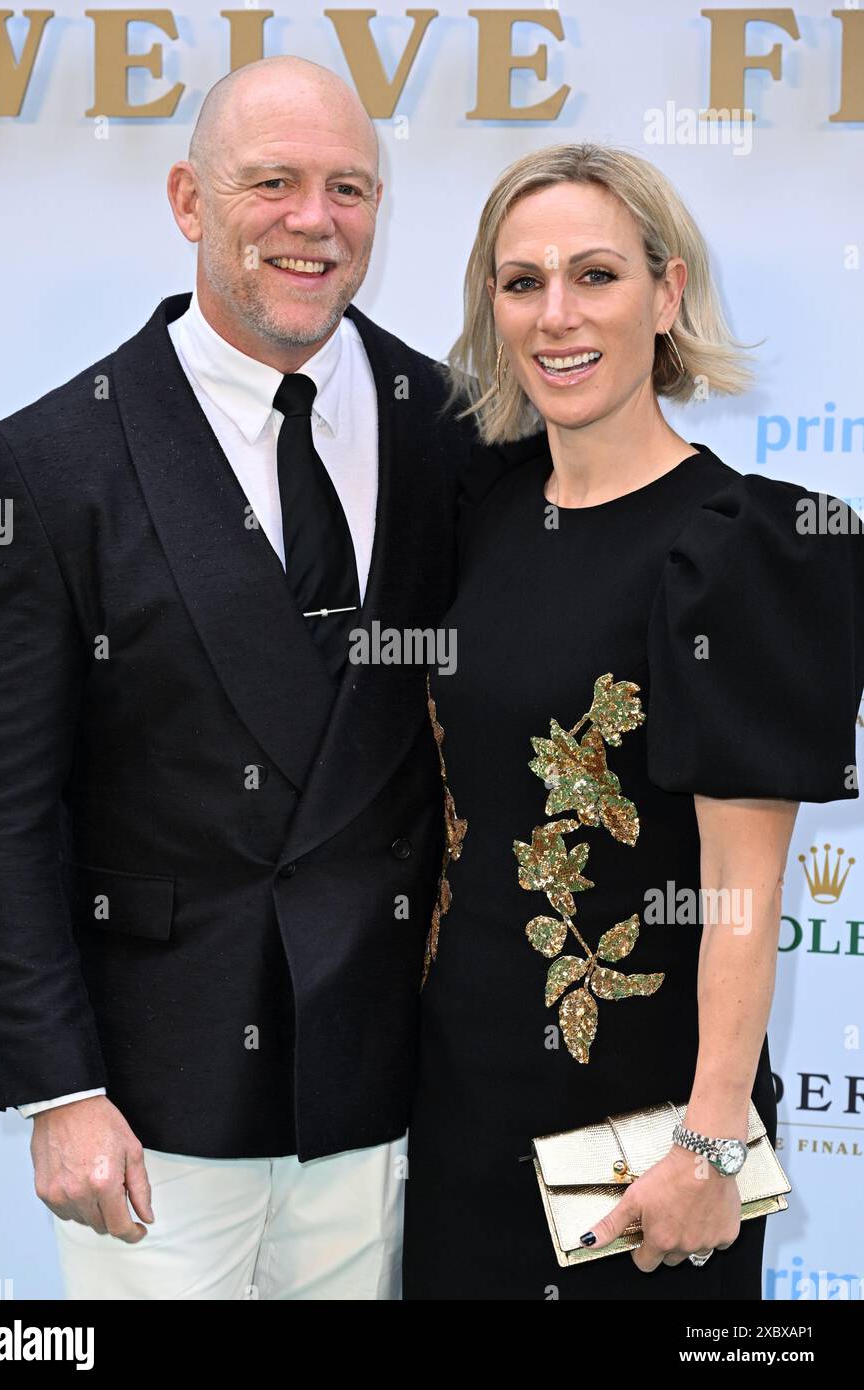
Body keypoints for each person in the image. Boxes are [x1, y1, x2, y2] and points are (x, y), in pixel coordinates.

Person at [0, 55, 475, 1300]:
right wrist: (60, 1089)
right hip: (150, 1112)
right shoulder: (46, 461)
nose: (315, 220)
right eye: (273, 182)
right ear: (190, 199)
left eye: (350, 188)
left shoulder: (457, 429)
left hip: (385, 1089)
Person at [401, 143, 864, 1300]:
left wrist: (712, 1145)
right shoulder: (482, 512)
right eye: (522, 282)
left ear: (667, 292)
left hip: (648, 1146)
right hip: (460, 1111)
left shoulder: (746, 547)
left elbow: (742, 891)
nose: (557, 314)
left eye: (596, 275)